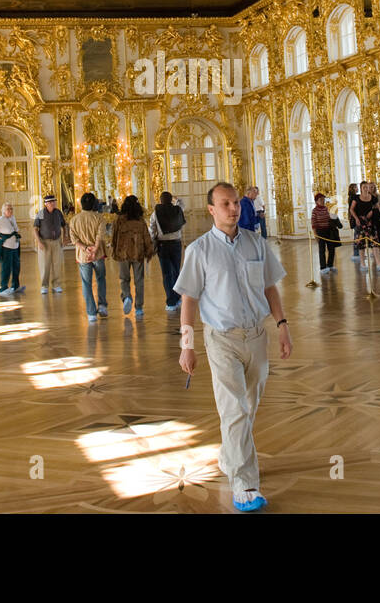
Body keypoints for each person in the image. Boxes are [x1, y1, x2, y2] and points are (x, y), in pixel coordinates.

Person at [176, 182, 291, 512]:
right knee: (235, 410)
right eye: (225, 204)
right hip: (221, 340)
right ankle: (245, 484)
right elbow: (189, 300)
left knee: (248, 407)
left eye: (235, 202)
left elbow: (270, 289)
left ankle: (229, 456)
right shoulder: (199, 250)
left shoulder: (256, 242)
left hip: (257, 337)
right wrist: (187, 346)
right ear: (212, 210)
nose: (233, 208)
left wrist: (283, 327)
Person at [112, 195, 156, 318]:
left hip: (123, 253)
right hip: (138, 252)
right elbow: (146, 237)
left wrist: (114, 250)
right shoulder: (140, 220)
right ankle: (139, 308)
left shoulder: (119, 220)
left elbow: (114, 236)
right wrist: (149, 251)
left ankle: (126, 296)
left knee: (124, 278)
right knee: (139, 280)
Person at [71, 193, 109, 322]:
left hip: (83, 256)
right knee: (100, 279)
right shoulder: (99, 218)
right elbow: (101, 235)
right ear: (94, 204)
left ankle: (91, 313)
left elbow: (74, 239)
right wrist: (95, 249)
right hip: (98, 254)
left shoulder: (74, 219)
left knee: (86, 283)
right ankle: (102, 305)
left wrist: (86, 249)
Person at [150, 191, 186, 312]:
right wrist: (176, 197)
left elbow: (152, 229)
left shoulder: (156, 213)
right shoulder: (177, 210)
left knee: (166, 274)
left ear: (160, 200)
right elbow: (182, 204)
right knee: (176, 271)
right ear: (171, 200)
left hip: (163, 245)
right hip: (176, 243)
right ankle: (178, 297)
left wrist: (152, 241)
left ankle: (171, 302)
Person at [0, 202, 23, 295]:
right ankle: (3, 288)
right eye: (8, 209)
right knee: (6, 268)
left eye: (11, 208)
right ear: (3, 211)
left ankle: (15, 286)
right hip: (6, 248)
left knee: (16, 267)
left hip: (15, 246)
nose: (10, 210)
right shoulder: (0, 220)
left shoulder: (12, 218)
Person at [34, 194, 67, 294]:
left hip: (57, 241)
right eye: (50, 202)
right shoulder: (40, 213)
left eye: (54, 201)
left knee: (57, 264)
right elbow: (35, 228)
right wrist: (39, 242)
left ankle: (56, 285)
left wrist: (65, 237)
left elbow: (64, 226)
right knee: (45, 265)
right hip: (44, 242)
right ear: (46, 204)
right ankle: (44, 286)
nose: (53, 203)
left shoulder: (58, 213)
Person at [350, 181, 380, 271]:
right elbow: (351, 209)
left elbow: (378, 209)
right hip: (360, 223)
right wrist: (356, 218)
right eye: (364, 187)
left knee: (375, 243)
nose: (366, 188)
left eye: (367, 187)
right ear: (361, 188)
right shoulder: (356, 198)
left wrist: (373, 212)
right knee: (361, 244)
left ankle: (378, 263)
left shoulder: (373, 198)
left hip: (370, 223)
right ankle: (362, 264)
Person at [346, 183, 361, 262]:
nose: (357, 188)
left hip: (353, 217)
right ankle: (356, 253)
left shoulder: (351, 197)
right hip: (355, 218)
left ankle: (358, 252)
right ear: (352, 189)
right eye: (355, 187)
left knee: (357, 235)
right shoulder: (354, 197)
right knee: (357, 235)